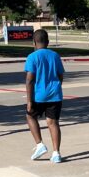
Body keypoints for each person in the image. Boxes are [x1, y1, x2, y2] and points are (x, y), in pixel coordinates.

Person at [25, 29, 65, 163]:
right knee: (53, 123)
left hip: (38, 95)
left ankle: (40, 144)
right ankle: (56, 153)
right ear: (48, 42)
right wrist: (57, 86)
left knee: (30, 116)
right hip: (55, 94)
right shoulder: (55, 56)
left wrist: (29, 100)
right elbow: (60, 75)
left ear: (34, 43)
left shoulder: (32, 57)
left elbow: (30, 79)